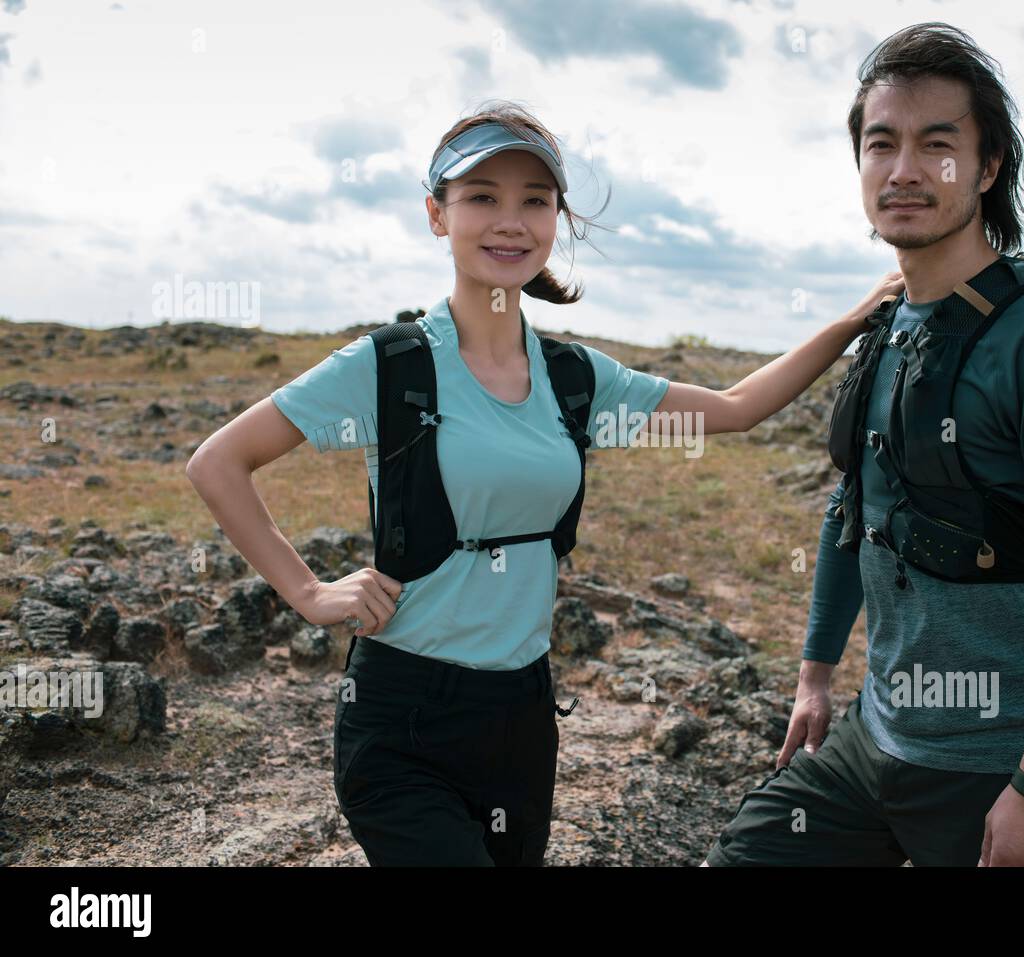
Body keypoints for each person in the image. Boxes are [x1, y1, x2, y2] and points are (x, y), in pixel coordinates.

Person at [186, 99, 904, 866]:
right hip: (400, 719)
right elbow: (218, 462)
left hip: (520, 719)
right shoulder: (390, 365)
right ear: (437, 215)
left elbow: (734, 409)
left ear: (556, 218)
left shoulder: (574, 380)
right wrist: (309, 593)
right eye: (482, 197)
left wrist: (853, 320)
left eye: (535, 200)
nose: (511, 220)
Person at [703, 23, 1024, 867]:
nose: (903, 170)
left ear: (988, 166)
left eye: (937, 145)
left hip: (998, 764)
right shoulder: (890, 319)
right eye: (881, 144)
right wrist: (816, 675)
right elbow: (852, 507)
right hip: (878, 738)